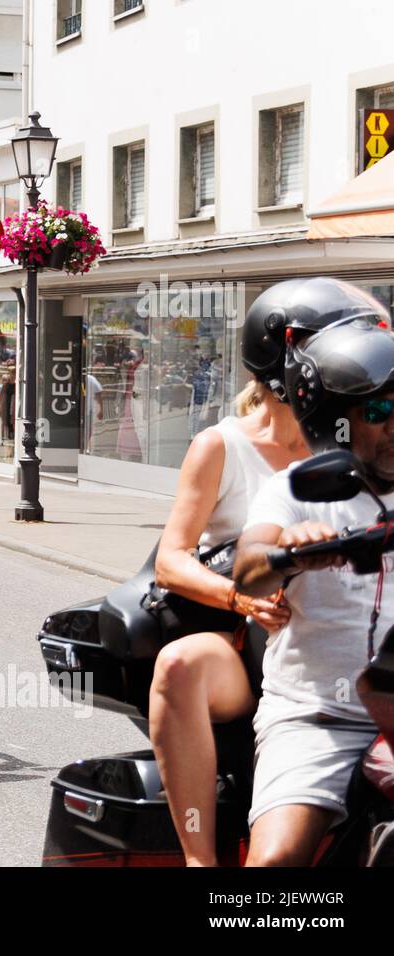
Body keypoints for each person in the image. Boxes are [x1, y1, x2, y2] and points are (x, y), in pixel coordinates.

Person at [148, 277, 346, 867]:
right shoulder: (220, 446)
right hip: (250, 645)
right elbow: (170, 559)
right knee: (178, 665)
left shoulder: (349, 444)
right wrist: (243, 600)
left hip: (338, 640)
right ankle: (201, 863)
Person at [234, 303, 394, 866]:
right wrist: (291, 552)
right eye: (379, 409)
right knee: (275, 866)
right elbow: (248, 565)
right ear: (338, 419)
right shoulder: (295, 489)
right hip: (317, 715)